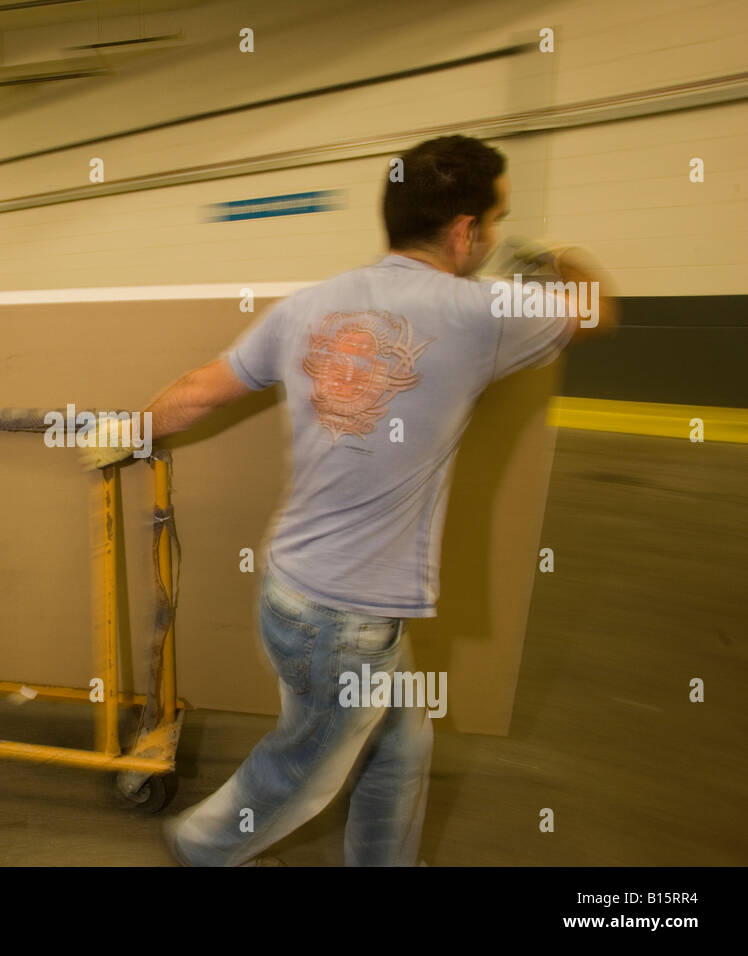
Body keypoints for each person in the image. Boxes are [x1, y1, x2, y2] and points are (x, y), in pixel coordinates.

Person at [80, 135, 617, 865]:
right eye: (494, 221)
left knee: (398, 746)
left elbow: (201, 391)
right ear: (465, 230)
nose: (493, 237)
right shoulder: (484, 313)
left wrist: (123, 432)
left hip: (291, 592)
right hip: (349, 620)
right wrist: (546, 251)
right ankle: (199, 850)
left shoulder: (308, 305)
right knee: (300, 770)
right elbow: (597, 309)